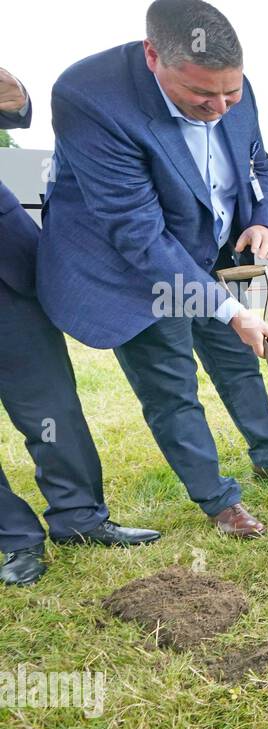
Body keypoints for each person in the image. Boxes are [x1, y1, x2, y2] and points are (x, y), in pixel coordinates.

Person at [37, 0, 268, 540]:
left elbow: (256, 163)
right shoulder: (89, 97)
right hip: (129, 270)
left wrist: (265, 220)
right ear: (152, 56)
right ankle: (220, 501)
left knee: (239, 358)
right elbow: (136, 231)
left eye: (229, 94)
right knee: (172, 387)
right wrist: (230, 308)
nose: (219, 106)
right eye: (201, 95)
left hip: (208, 254)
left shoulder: (230, 86)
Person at [0, 67, 160, 585]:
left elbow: (14, 111)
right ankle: (15, 538)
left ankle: (81, 519)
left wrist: (14, 89)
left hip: (6, 279)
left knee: (51, 410)